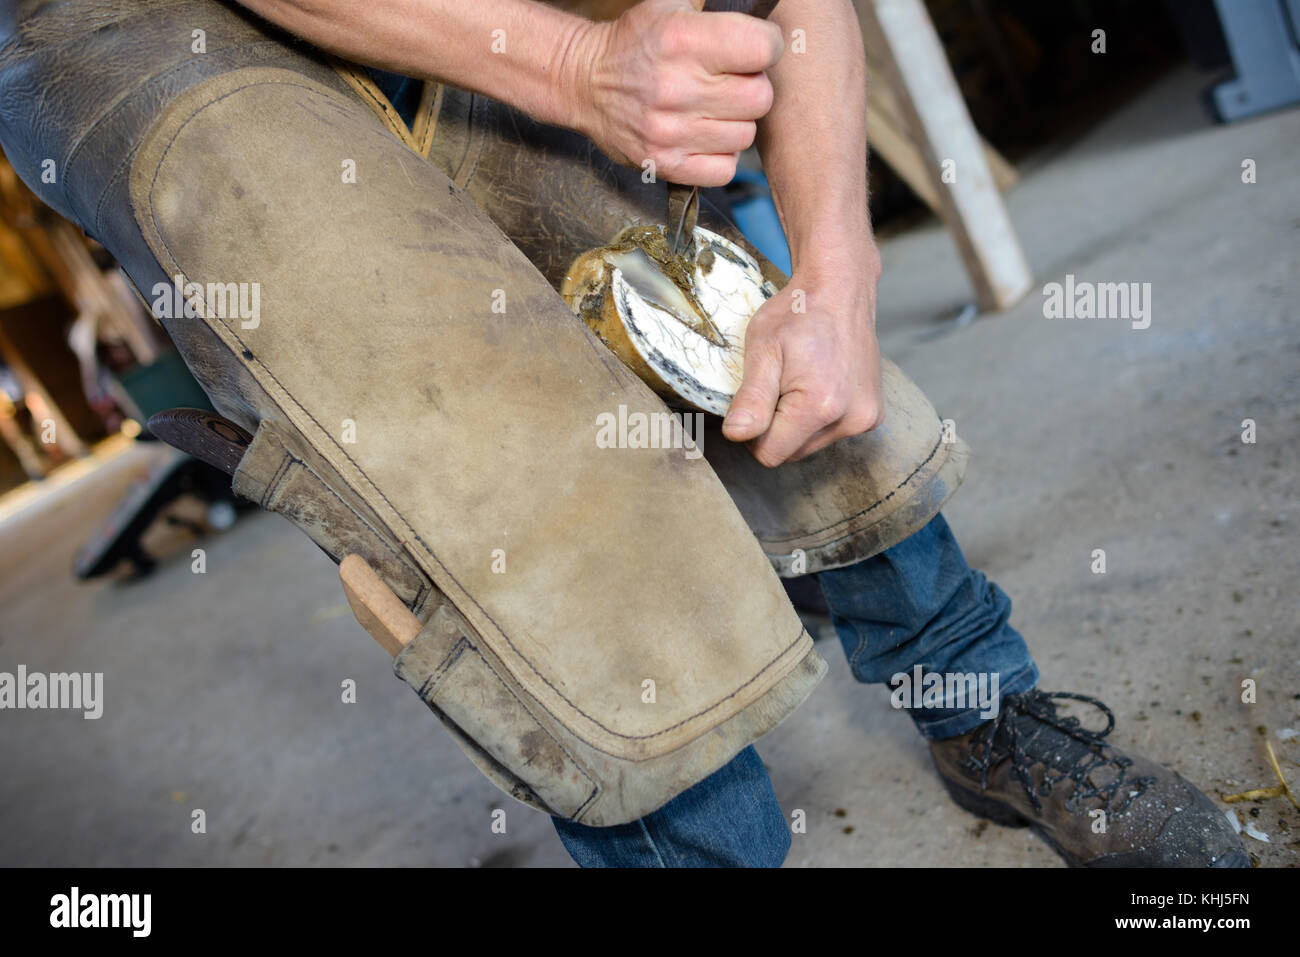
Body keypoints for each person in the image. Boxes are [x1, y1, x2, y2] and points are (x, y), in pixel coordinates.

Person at [0, 0, 1247, 867]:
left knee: (658, 252)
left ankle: (980, 707)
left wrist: (835, 268)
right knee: (427, 378)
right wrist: (570, 65)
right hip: (132, 27)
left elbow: (771, 14)